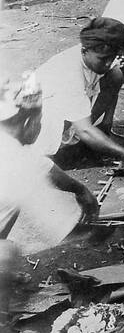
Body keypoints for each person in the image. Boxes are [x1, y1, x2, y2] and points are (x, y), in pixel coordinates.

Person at [34, 18, 124, 173]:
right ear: (84, 50)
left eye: (112, 57)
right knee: (76, 136)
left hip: (65, 110)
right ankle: (53, 153)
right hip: (36, 123)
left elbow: (113, 77)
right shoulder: (69, 72)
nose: (108, 63)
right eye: (103, 59)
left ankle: (98, 136)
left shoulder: (95, 56)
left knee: (115, 74)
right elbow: (84, 129)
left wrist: (106, 125)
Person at [0, 71, 99, 254]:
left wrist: (81, 191)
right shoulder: (18, 155)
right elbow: (55, 177)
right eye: (38, 120)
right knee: (7, 253)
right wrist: (83, 192)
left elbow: (49, 169)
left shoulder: (10, 141)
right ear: (28, 121)